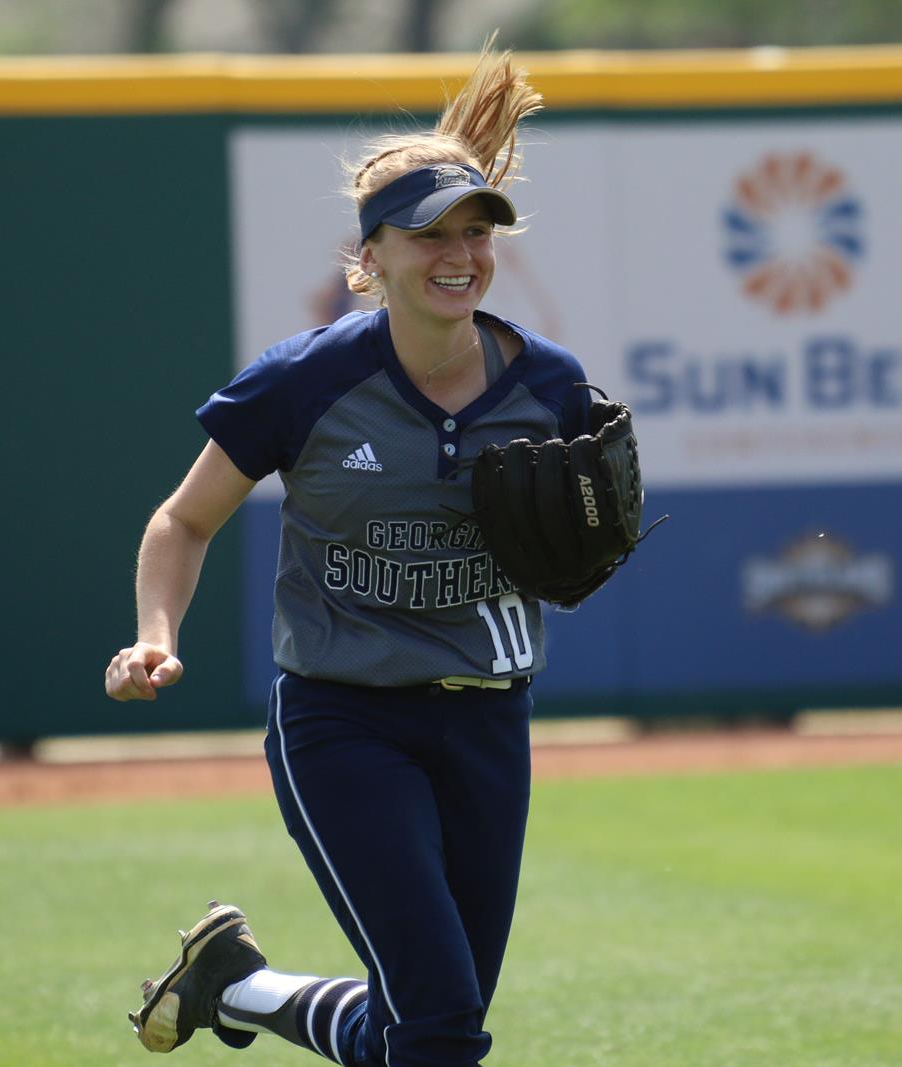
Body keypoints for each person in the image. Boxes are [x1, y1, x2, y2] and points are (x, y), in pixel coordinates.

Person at [106, 42, 589, 1065]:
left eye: (475, 231)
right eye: (429, 236)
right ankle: (240, 980)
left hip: (490, 717)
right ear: (369, 258)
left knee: (419, 1022)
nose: (459, 254)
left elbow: (580, 550)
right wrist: (154, 636)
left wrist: (585, 551)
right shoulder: (305, 382)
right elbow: (182, 520)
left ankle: (235, 980)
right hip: (345, 718)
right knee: (444, 1027)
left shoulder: (550, 386)